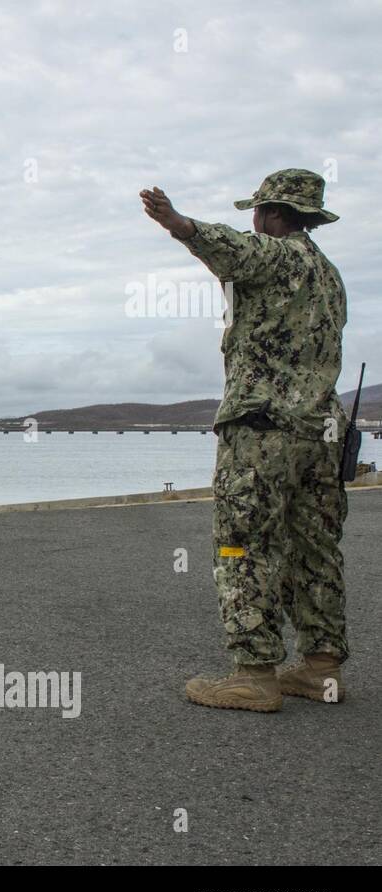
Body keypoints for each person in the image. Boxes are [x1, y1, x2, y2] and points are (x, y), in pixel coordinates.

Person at [140, 169, 348, 713]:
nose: (253, 221)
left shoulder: (278, 255)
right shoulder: (329, 276)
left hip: (262, 430)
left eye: (258, 212)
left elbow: (237, 252)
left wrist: (179, 225)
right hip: (320, 433)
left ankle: (255, 673)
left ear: (275, 214)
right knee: (314, 546)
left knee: (243, 544)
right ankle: (321, 668)